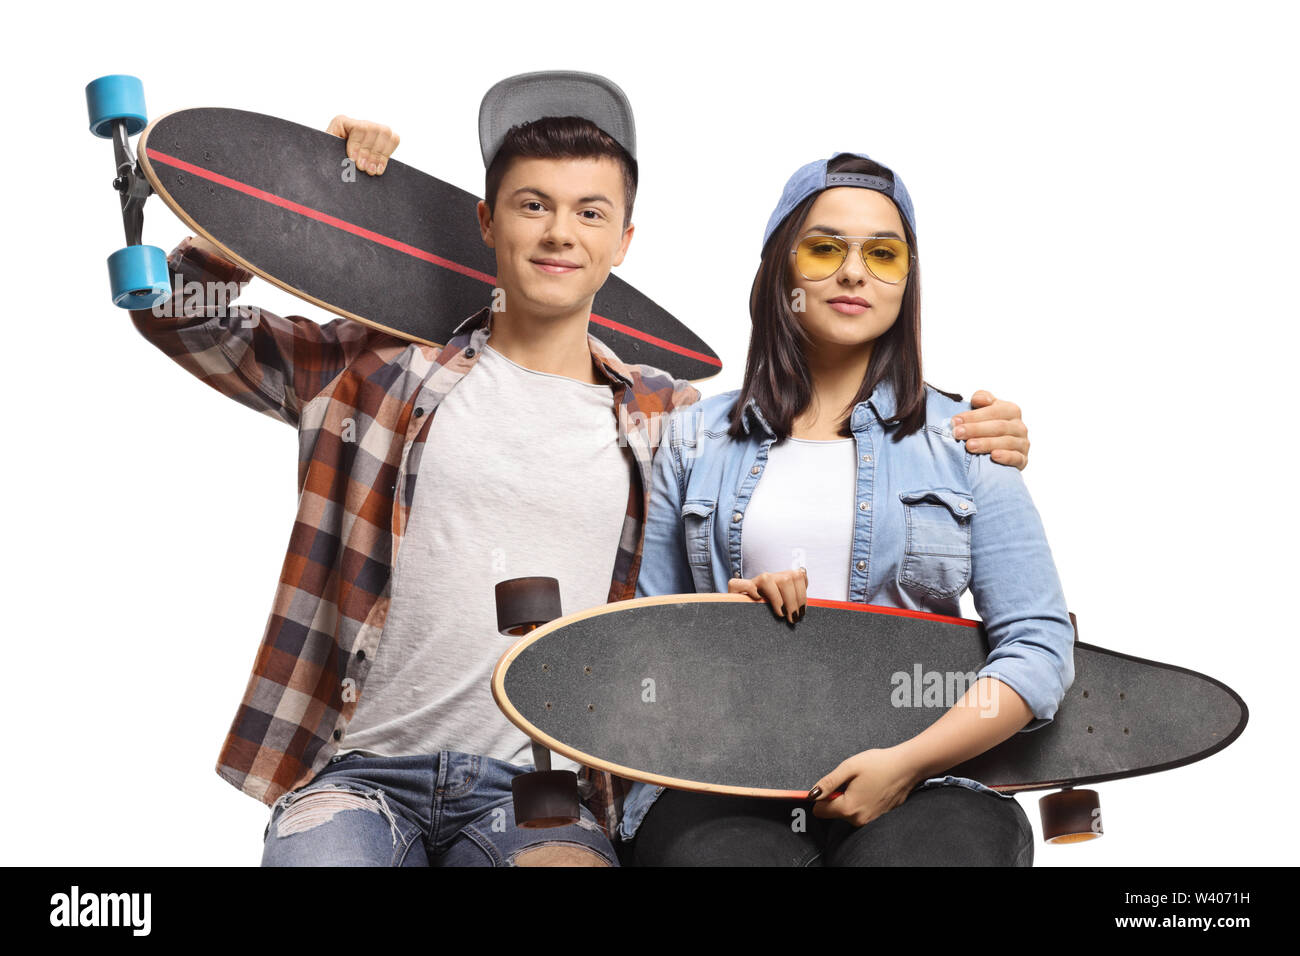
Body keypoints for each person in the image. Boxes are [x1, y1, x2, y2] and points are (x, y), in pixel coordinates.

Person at [126, 72, 1032, 866]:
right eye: (533, 205)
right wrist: (269, 206)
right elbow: (176, 313)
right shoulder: (373, 370)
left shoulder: (670, 418)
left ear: (624, 241)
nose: (560, 234)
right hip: (358, 771)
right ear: (488, 220)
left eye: (589, 212)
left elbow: (821, 421)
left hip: (550, 792)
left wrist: (965, 428)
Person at [621, 152, 1074, 867]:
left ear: (906, 281)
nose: (854, 272)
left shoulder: (967, 441)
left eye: (884, 254)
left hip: (931, 779)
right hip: (724, 775)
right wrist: (728, 623)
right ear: (782, 271)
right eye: (826, 248)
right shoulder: (692, 439)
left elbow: (1038, 645)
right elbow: (647, 644)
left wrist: (907, 764)